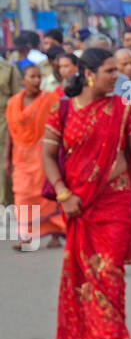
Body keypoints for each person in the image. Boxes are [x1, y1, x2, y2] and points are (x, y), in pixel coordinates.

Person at [41, 48, 131, 339]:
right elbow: (48, 156)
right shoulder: (62, 110)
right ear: (89, 73)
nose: (115, 77)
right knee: (87, 275)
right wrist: (64, 194)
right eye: (109, 71)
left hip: (116, 200)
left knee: (110, 272)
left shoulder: (122, 109)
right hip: (78, 205)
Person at [5, 63, 66, 248]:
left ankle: (56, 233)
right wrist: (6, 158)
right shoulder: (13, 102)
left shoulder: (50, 99)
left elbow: (60, 124)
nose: (37, 80)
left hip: (44, 156)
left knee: (47, 195)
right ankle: (26, 236)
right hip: (21, 156)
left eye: (39, 77)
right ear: (23, 80)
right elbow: (10, 130)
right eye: (32, 77)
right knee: (22, 194)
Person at [0, 50, 21, 206]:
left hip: (3, 121)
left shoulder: (8, 69)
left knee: (3, 163)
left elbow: (17, 98)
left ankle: (4, 203)